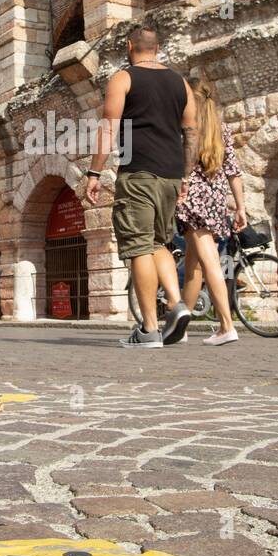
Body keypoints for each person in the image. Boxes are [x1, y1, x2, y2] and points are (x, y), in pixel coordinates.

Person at [86, 23, 197, 348]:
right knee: (159, 242)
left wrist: (94, 173)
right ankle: (176, 306)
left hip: (138, 172)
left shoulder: (124, 77)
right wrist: (186, 177)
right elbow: (191, 132)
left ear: (130, 47)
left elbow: (109, 127)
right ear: (157, 49)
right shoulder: (181, 84)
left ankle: (149, 329)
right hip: (171, 175)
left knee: (138, 246)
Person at [177, 77, 247, 345]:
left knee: (209, 262)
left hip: (192, 200)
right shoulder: (222, 129)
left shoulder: (186, 130)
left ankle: (226, 326)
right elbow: (233, 171)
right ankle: (181, 328)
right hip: (216, 201)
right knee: (193, 263)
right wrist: (240, 207)